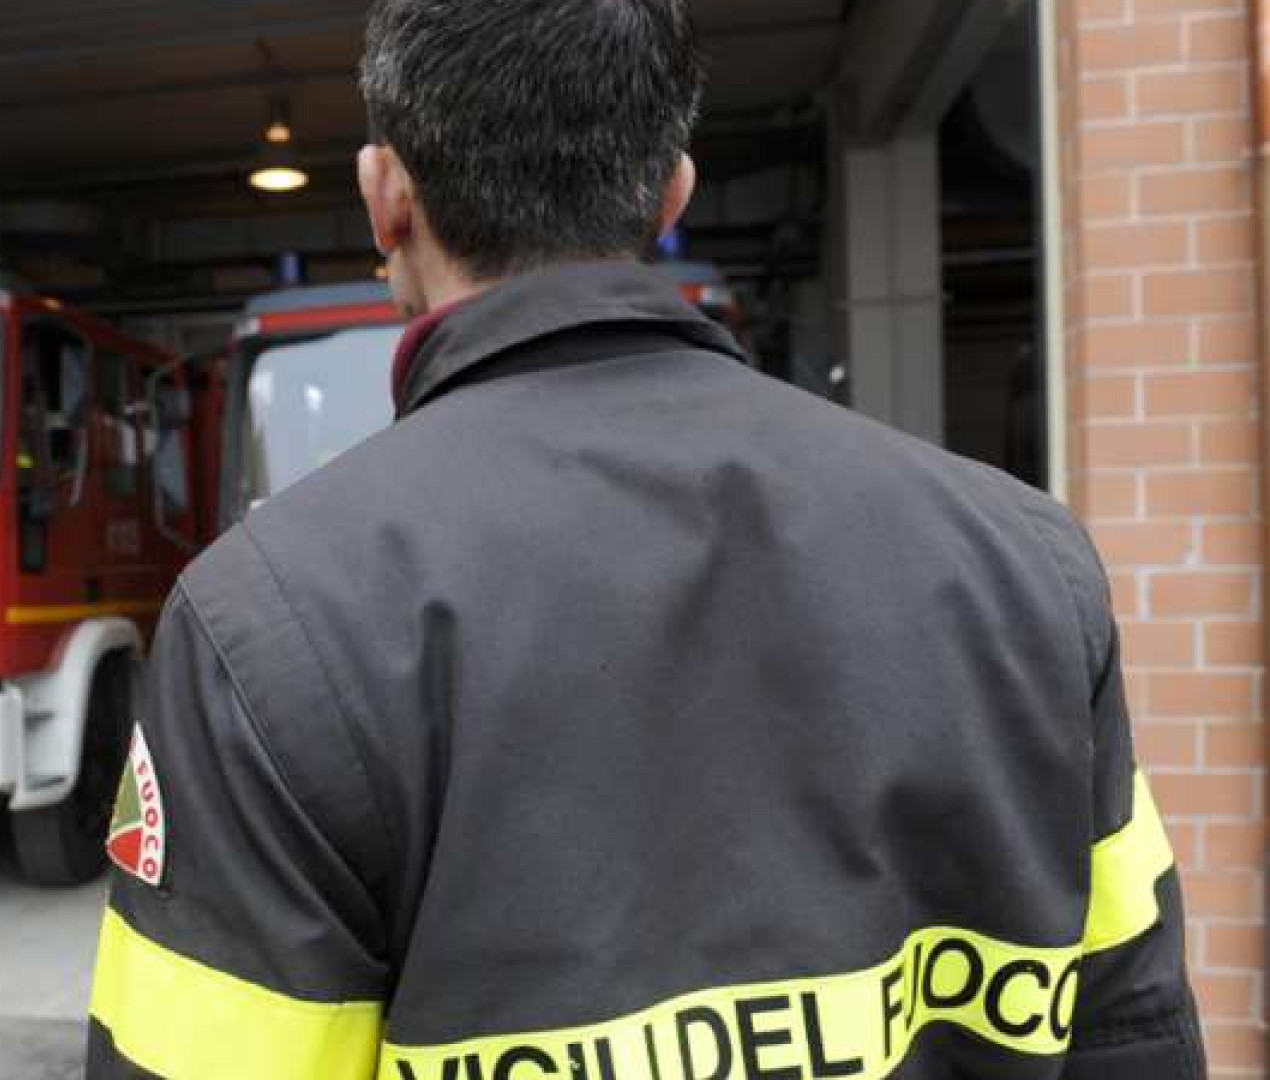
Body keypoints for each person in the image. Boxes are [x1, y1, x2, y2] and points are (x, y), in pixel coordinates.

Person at [85, 0, 1206, 1076]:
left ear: (386, 196)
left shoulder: (269, 630)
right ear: (672, 193)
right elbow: (1134, 1036)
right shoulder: (1026, 565)